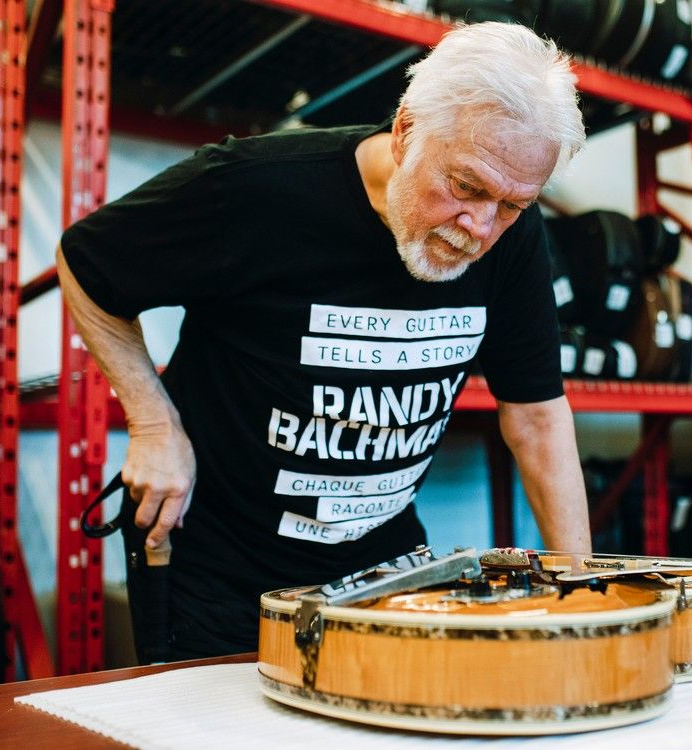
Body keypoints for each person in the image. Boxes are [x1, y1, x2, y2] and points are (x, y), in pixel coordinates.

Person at [56, 21, 590, 662]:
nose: (479, 227)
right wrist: (153, 424)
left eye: (511, 205)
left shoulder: (515, 238)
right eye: (466, 187)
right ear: (406, 132)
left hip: (380, 569)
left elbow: (536, 417)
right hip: (221, 575)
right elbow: (86, 264)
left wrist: (581, 592)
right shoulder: (253, 190)